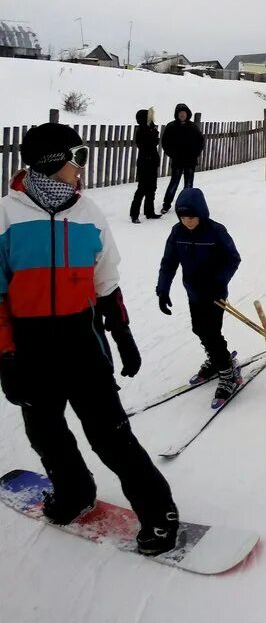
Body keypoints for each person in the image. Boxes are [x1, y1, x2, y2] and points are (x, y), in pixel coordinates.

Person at [0, 123, 179, 554]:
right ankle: (74, 492)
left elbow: (107, 282)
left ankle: (159, 514)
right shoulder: (6, 216)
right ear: (50, 163)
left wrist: (122, 334)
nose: (83, 167)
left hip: (83, 344)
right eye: (76, 157)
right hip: (31, 349)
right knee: (47, 434)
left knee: (112, 435)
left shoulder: (88, 213)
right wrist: (7, 356)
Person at [155, 188, 242, 406]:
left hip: (215, 293)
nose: (188, 222)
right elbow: (169, 262)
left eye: (191, 217)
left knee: (211, 333)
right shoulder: (177, 232)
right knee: (199, 329)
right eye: (183, 217)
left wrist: (218, 280)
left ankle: (227, 371)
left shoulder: (216, 231)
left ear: (201, 213)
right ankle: (216, 359)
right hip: (194, 293)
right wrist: (162, 289)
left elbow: (233, 259)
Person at [160, 103, 204, 214]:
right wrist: (173, 154)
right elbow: (165, 143)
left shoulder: (193, 126)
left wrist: (195, 154)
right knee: (174, 183)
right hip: (177, 161)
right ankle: (166, 205)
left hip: (190, 161)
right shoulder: (171, 126)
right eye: (180, 113)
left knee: (188, 185)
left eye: (184, 113)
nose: (182, 115)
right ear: (177, 114)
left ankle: (186, 205)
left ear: (187, 114)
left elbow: (200, 142)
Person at [130, 107, 162, 223]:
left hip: (152, 161)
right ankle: (134, 214)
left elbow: (154, 143)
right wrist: (154, 134)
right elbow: (148, 145)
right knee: (142, 189)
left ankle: (149, 212)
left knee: (152, 188)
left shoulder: (151, 129)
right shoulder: (142, 130)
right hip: (145, 162)